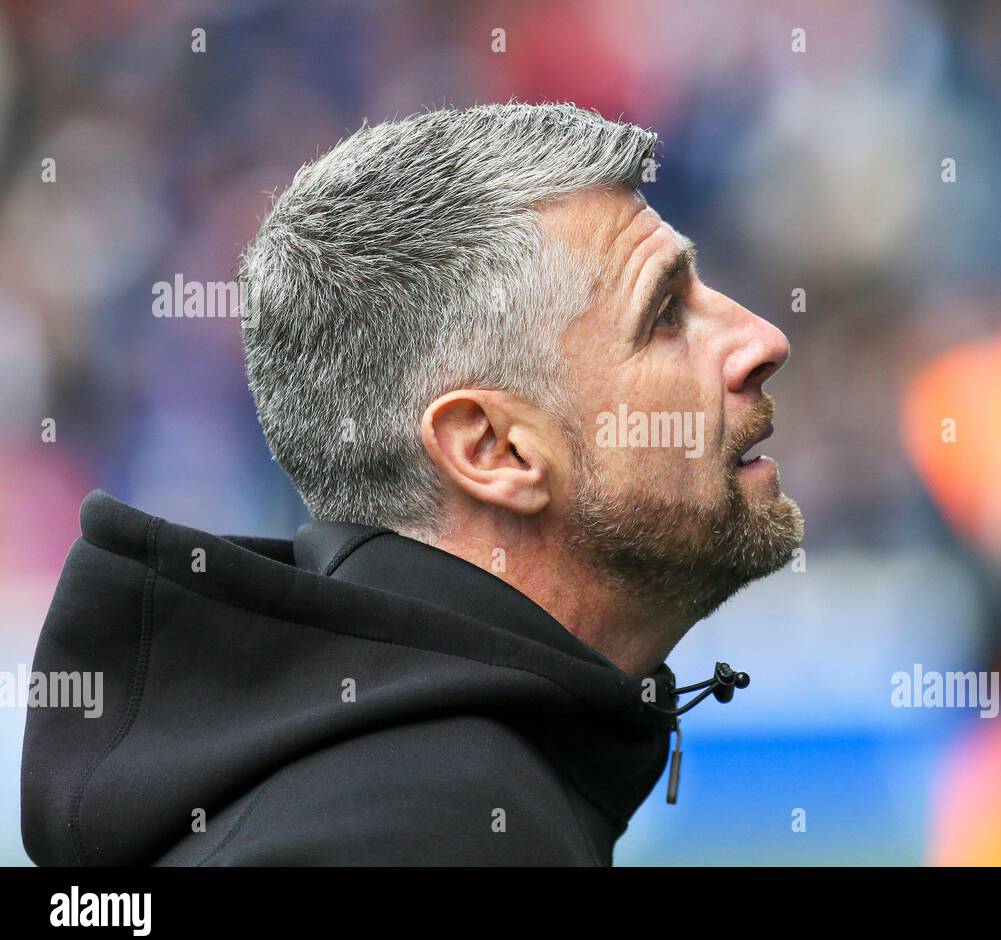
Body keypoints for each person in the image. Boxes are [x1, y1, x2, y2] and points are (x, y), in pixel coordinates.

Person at [22, 103, 803, 866]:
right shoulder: (427, 834)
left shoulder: (383, 785)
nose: (762, 341)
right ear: (493, 449)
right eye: (665, 313)